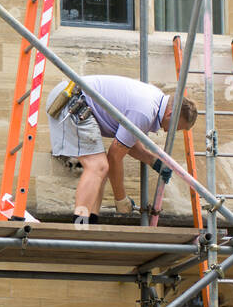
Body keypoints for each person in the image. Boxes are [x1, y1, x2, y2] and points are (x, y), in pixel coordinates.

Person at [45, 74, 198, 225]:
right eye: (177, 128)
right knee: (98, 166)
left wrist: (152, 160)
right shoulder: (145, 112)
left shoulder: (154, 100)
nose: (170, 132)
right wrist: (120, 199)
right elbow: (115, 156)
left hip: (76, 100)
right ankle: (80, 225)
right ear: (170, 114)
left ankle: (90, 223)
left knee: (100, 171)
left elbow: (127, 142)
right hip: (71, 101)